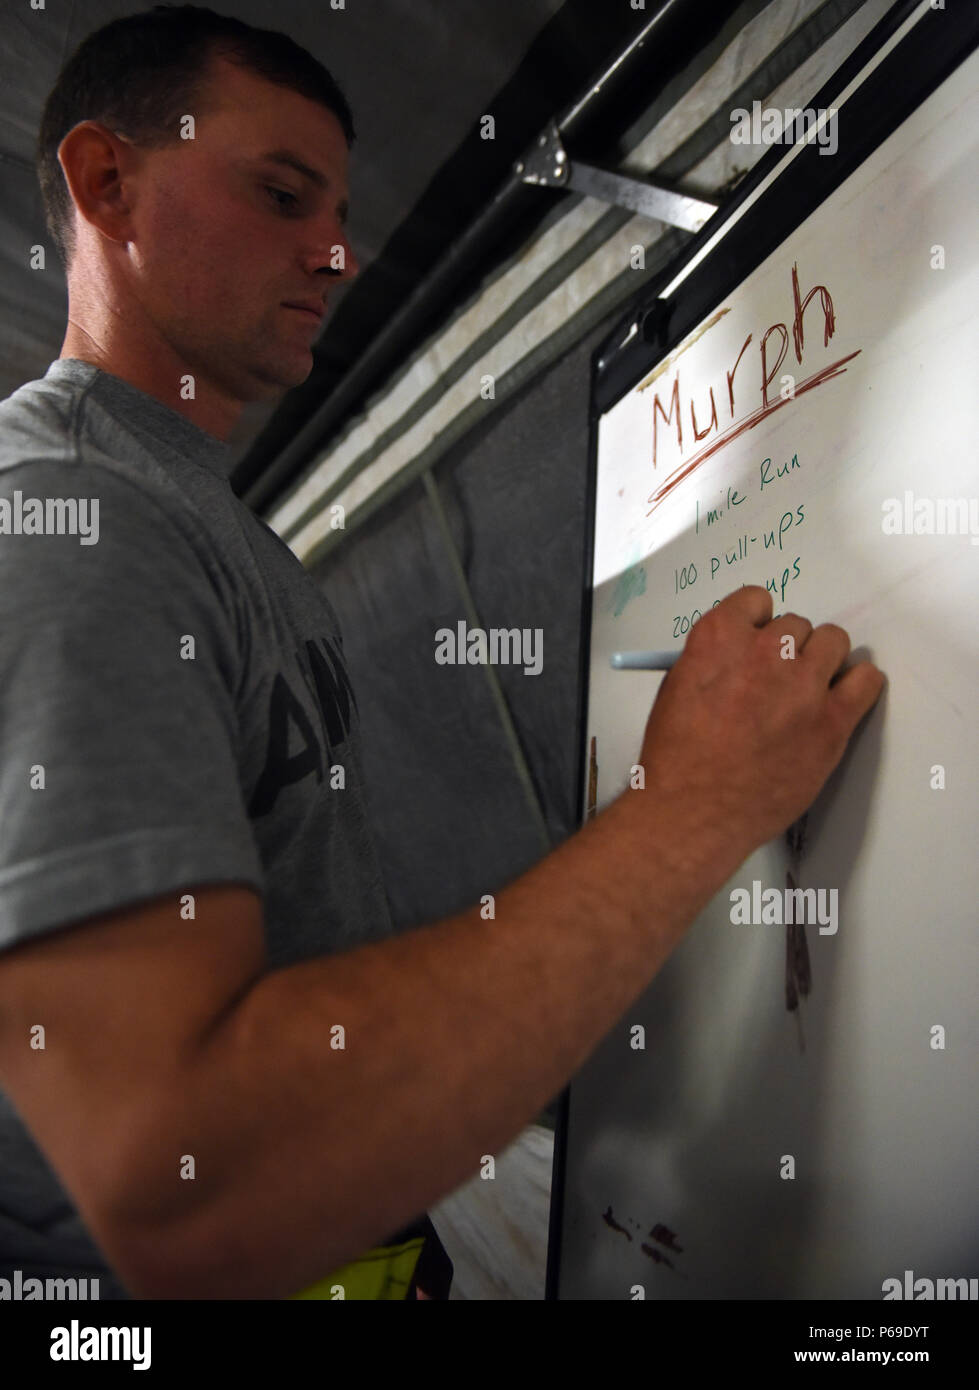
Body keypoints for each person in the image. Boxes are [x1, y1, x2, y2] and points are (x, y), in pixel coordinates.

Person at [0, 5, 884, 1301]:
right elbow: (180, 1177)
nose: (338, 253)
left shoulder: (211, 529)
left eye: (339, 211)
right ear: (105, 182)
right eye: (282, 194)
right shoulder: (70, 519)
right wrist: (696, 803)